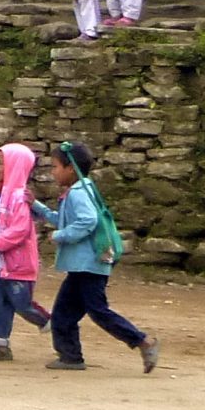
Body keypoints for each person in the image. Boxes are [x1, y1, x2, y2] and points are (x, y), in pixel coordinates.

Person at [35, 141, 159, 372]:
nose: (52, 172)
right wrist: (37, 207)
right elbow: (67, 219)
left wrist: (61, 235)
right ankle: (71, 357)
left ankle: (143, 341)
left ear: (70, 168)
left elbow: (87, 221)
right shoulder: (83, 188)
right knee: (63, 313)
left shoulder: (77, 194)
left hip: (89, 265)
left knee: (97, 310)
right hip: (84, 266)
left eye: (55, 167)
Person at [0, 143, 48, 361]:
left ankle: (54, 322)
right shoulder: (1, 196)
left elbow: (19, 231)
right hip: (1, 262)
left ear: (16, 167)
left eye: (1, 163)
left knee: (22, 304)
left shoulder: (18, 198)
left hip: (17, 264)